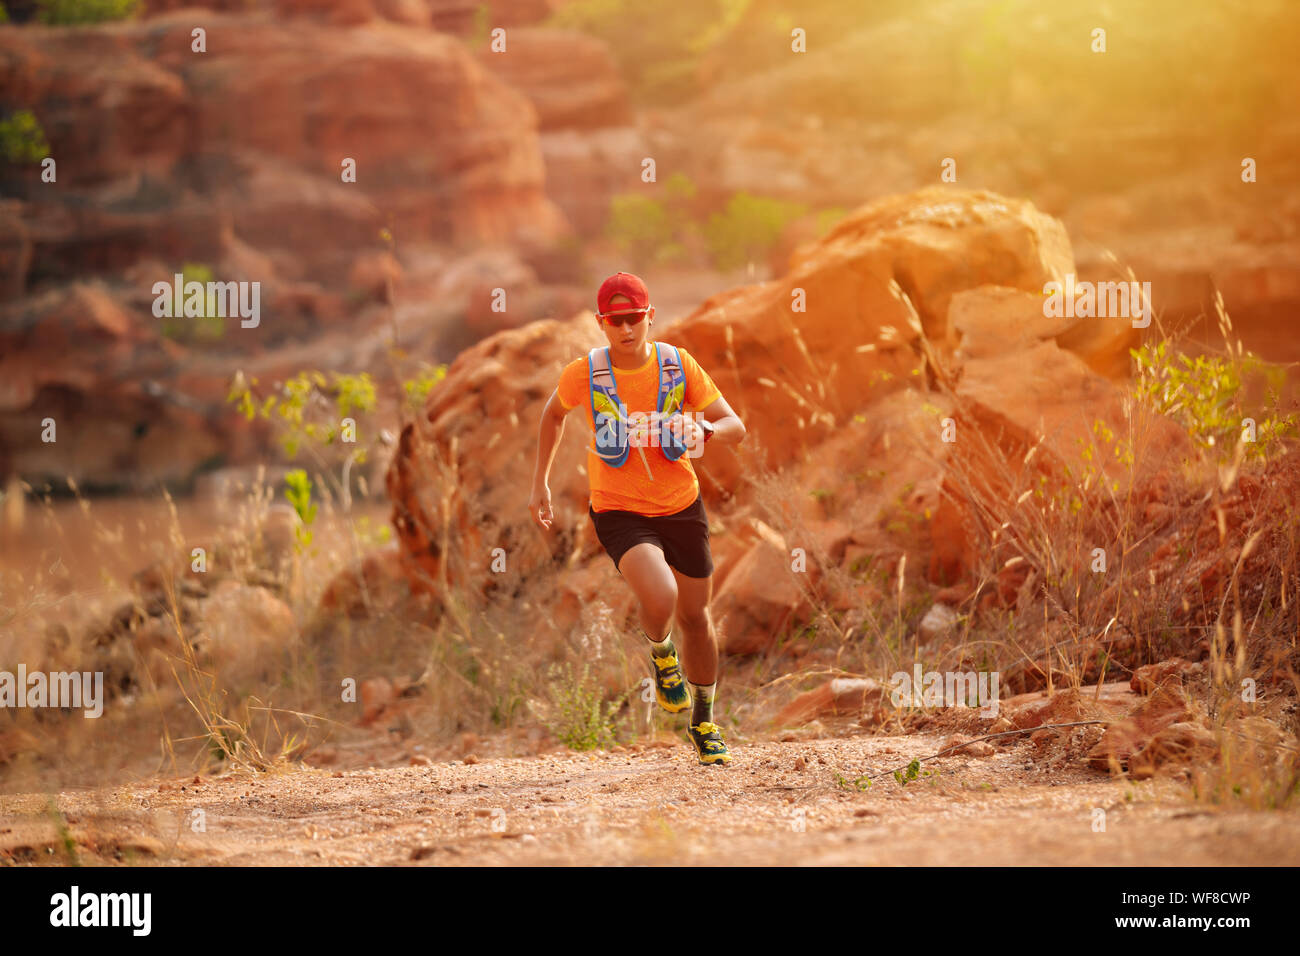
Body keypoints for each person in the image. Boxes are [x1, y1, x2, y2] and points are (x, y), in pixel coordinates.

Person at [529, 272, 746, 766]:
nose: (626, 330)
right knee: (662, 595)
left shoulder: (678, 364)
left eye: (634, 319)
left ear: (650, 317)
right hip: (618, 508)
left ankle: (704, 721)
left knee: (697, 615)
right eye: (615, 321)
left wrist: (704, 426)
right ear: (602, 323)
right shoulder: (585, 373)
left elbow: (737, 427)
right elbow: (552, 415)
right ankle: (660, 651)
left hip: (682, 505)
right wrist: (538, 482)